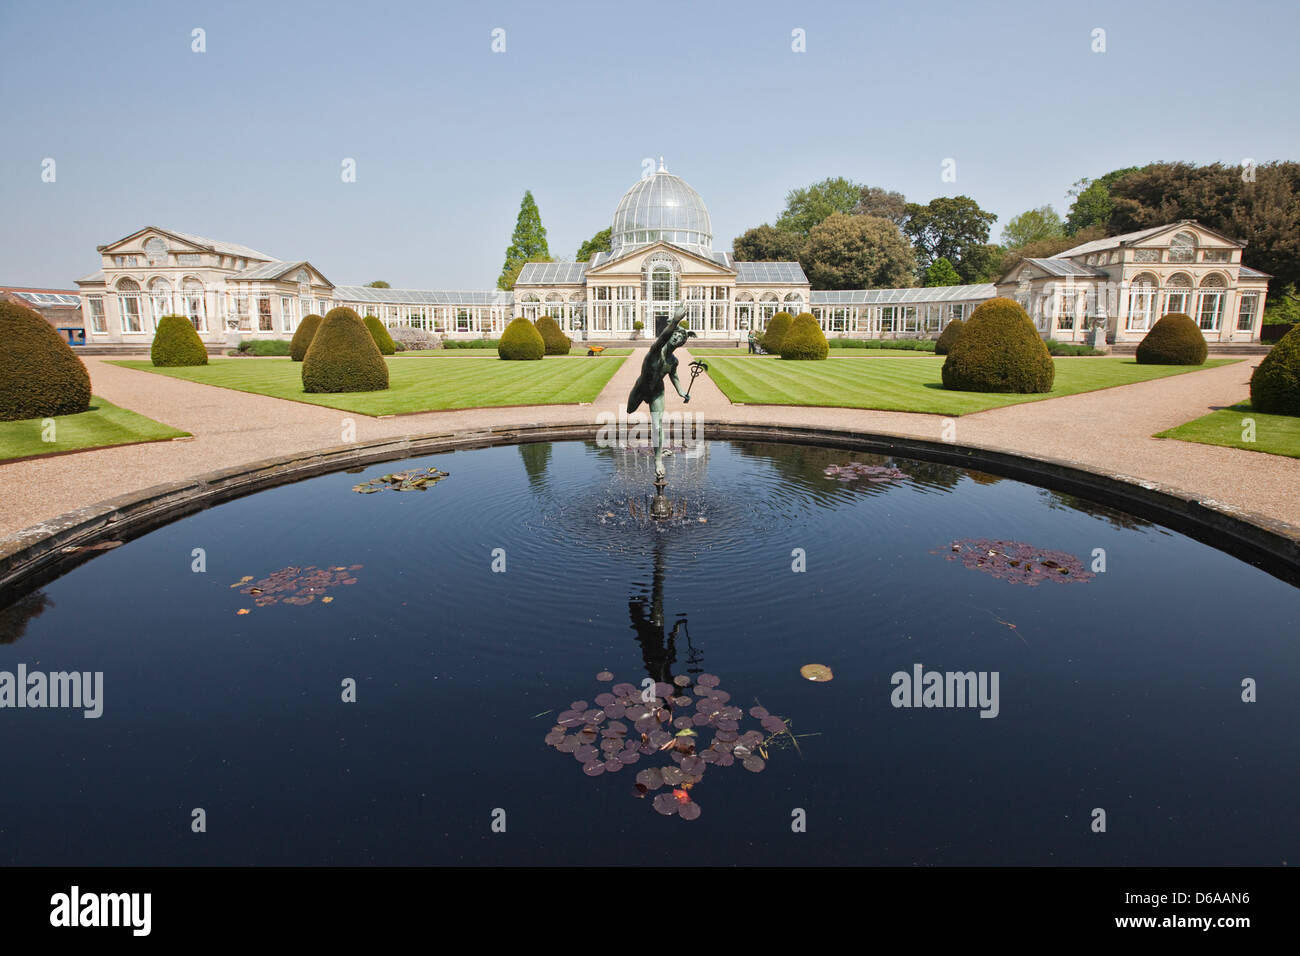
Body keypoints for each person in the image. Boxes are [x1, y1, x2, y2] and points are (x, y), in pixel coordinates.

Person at [626, 305, 695, 478]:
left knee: (658, 425)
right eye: (676, 334)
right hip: (642, 387)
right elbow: (663, 336)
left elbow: (674, 376)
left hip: (657, 390)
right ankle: (658, 451)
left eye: (681, 337)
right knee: (629, 410)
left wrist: (681, 392)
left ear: (681, 343)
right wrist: (676, 320)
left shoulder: (674, 360)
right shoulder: (657, 350)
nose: (677, 337)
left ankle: (658, 459)